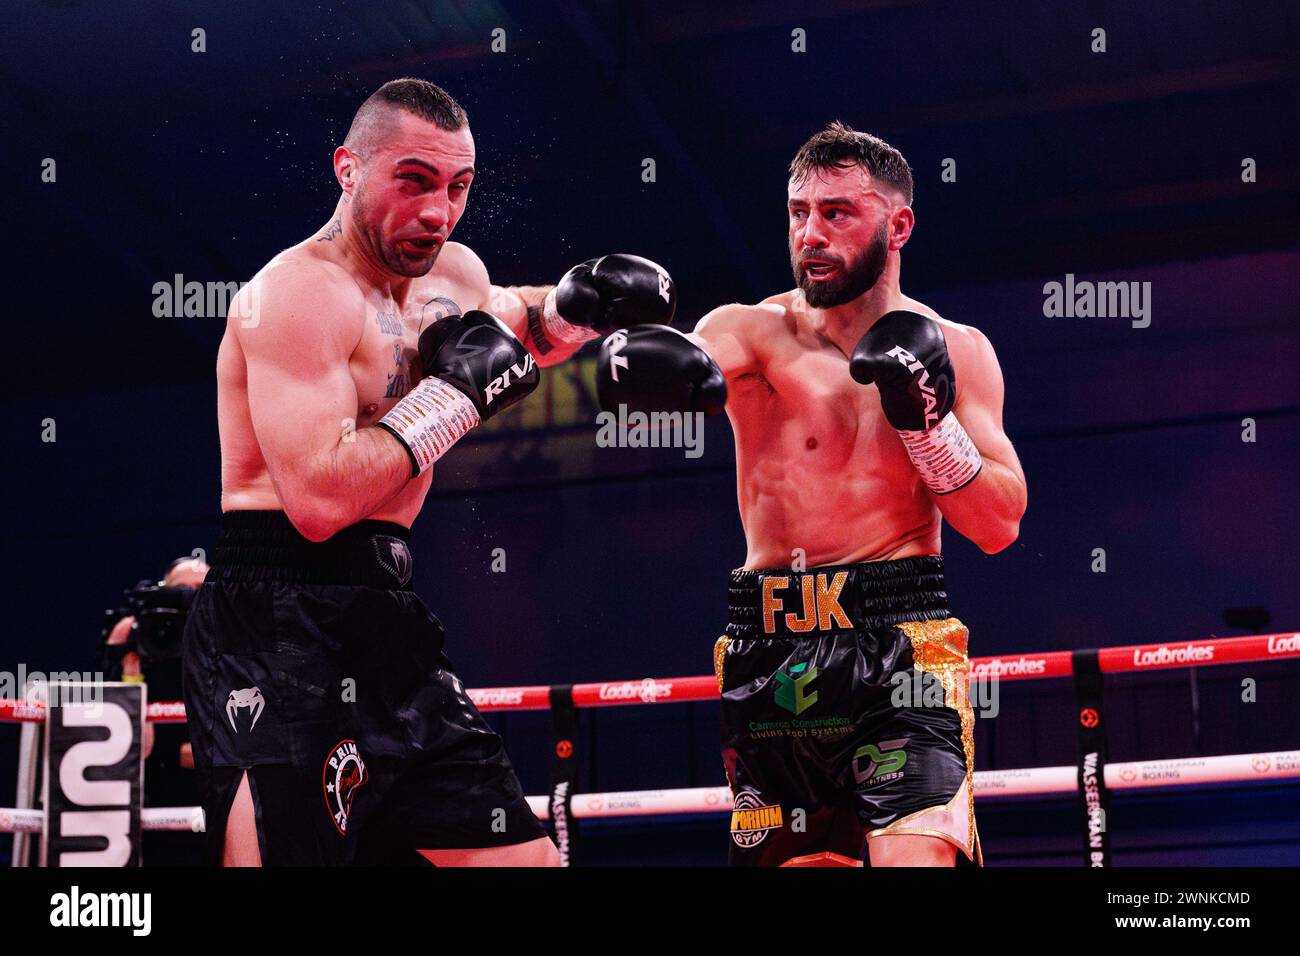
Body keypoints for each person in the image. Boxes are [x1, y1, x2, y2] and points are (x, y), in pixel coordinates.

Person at [182, 77, 675, 866]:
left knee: (523, 860)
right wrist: (456, 396)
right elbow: (317, 500)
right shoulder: (295, 295)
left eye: (458, 187)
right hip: (275, 618)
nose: (438, 212)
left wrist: (573, 310)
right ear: (348, 168)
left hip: (388, 617)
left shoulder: (453, 273)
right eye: (412, 182)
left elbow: (504, 330)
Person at [596, 122, 1027, 866]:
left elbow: (998, 524)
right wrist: (630, 352)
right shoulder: (751, 332)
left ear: (899, 225)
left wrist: (928, 428)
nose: (812, 235)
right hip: (770, 649)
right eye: (799, 213)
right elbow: (688, 367)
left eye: (836, 213)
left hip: (902, 646)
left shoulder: (959, 349)